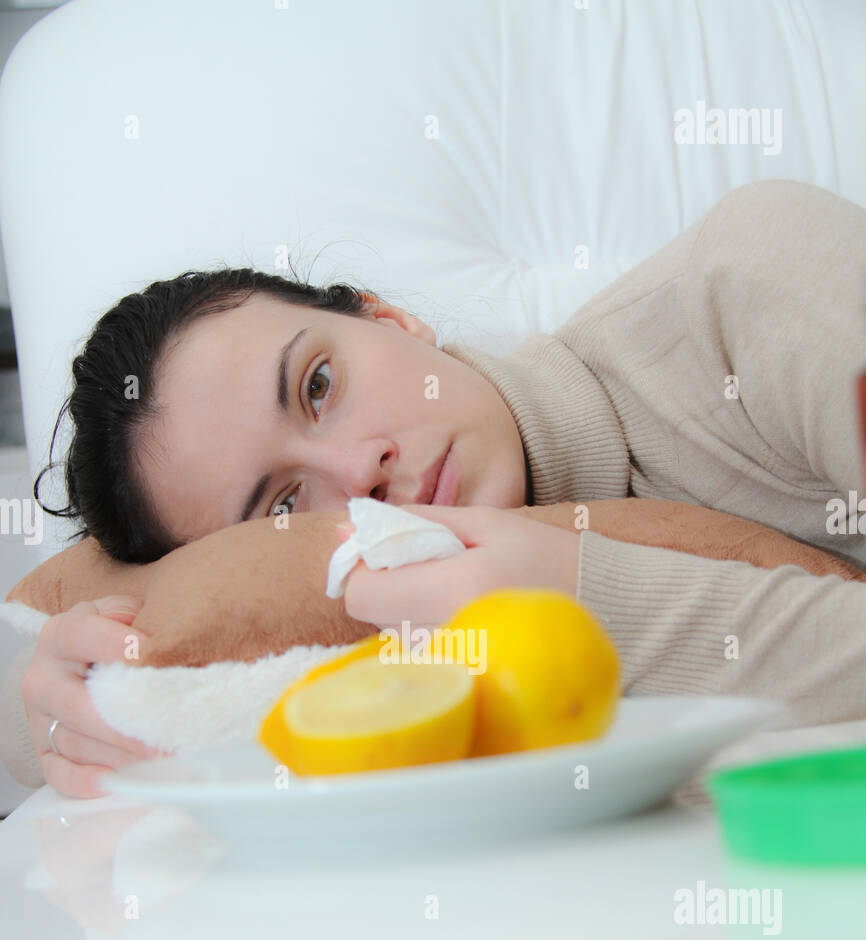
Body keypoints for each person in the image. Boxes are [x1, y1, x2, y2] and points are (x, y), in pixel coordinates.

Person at [2, 177, 865, 799]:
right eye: (285, 507)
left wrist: (595, 598)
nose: (356, 472)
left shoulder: (742, 285)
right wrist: (47, 711)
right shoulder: (413, 639)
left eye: (317, 386)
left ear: (389, 317)